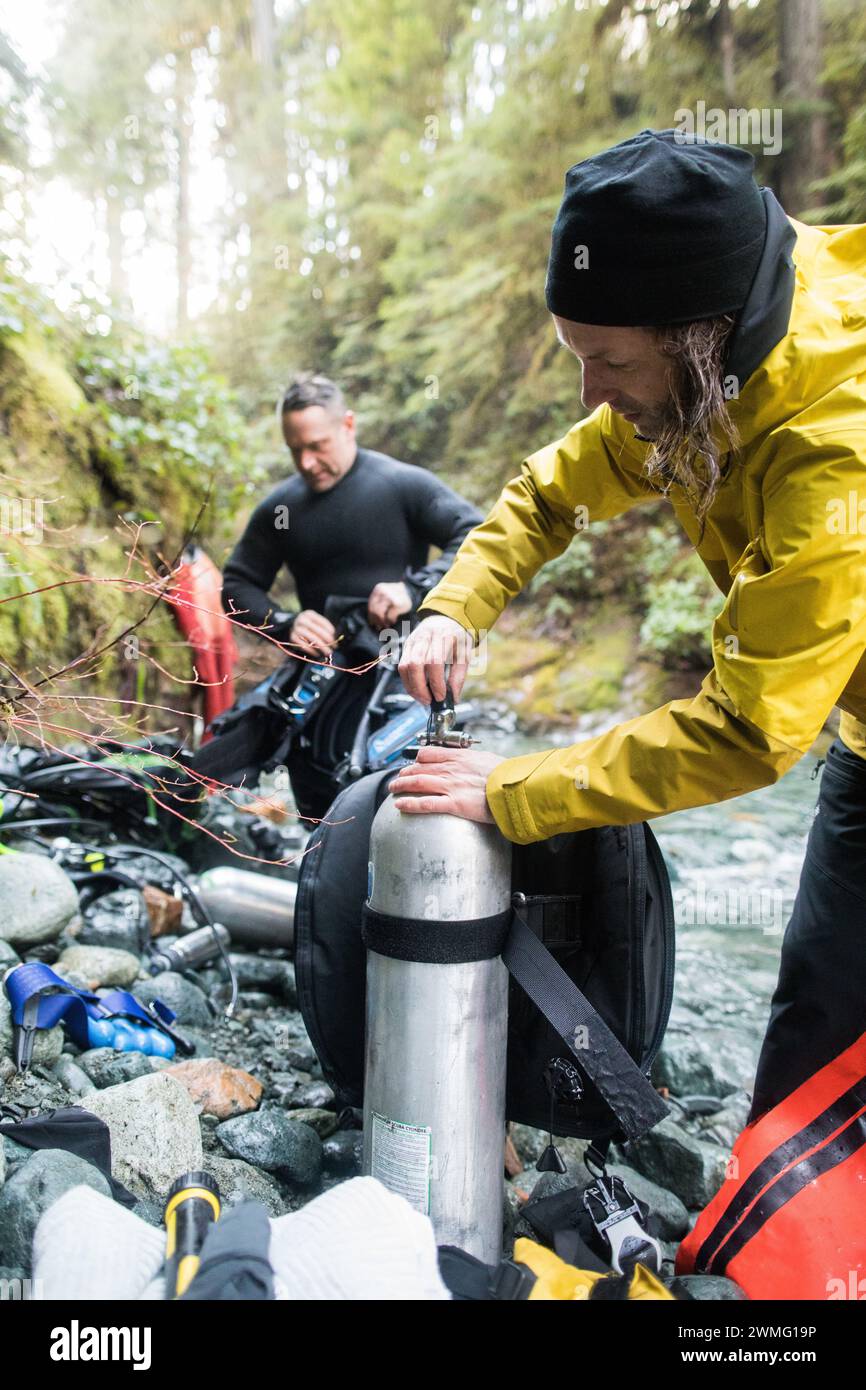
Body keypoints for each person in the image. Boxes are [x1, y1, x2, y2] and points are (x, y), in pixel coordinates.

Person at [392, 129, 866, 1278]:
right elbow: (548, 489)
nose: (590, 392)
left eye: (607, 361)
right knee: (817, 1014)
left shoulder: (833, 452)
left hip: (808, 712)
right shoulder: (698, 370)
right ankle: (778, 1272)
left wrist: (514, 792)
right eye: (574, 354)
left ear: (700, 347)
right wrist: (454, 604)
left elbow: (748, 727)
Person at [222, 372, 482, 818]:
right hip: (322, 684)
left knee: (405, 810)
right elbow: (236, 586)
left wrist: (415, 588)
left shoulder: (401, 485)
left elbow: (476, 534)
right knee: (324, 818)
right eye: (294, 449)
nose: (306, 461)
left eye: (317, 445)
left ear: (348, 425)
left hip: (404, 676)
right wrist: (286, 623)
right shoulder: (281, 509)